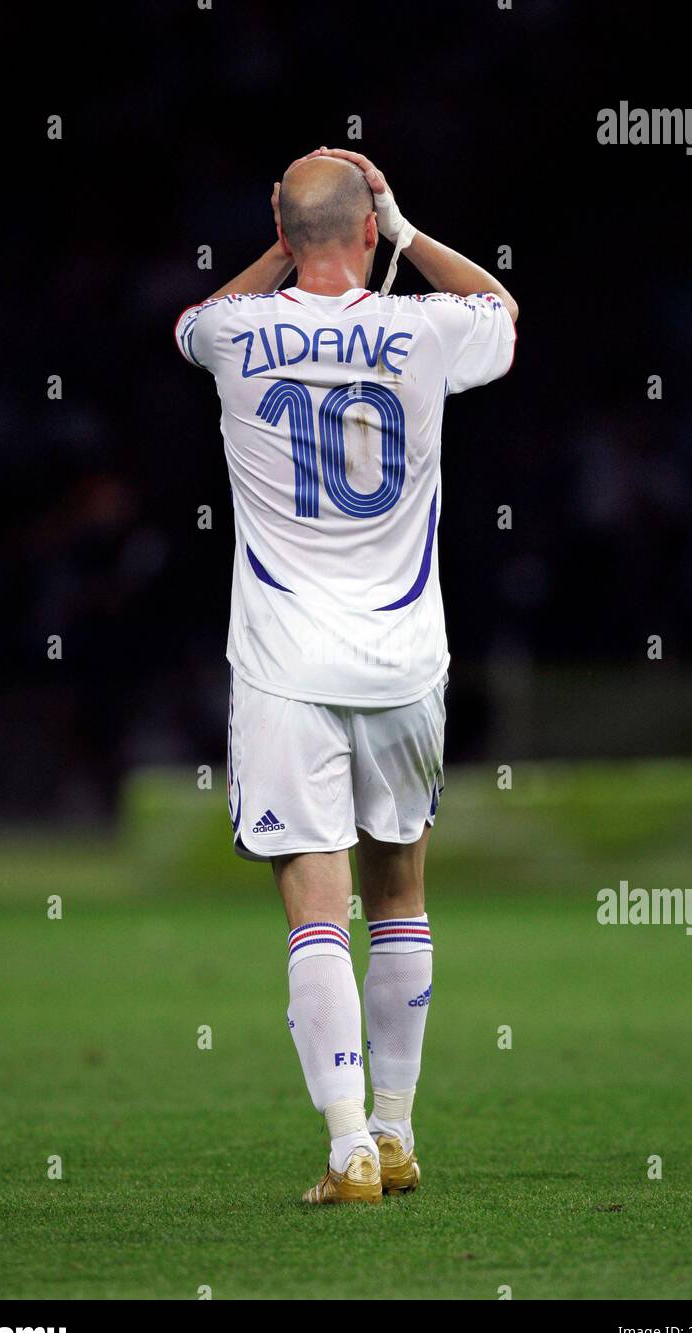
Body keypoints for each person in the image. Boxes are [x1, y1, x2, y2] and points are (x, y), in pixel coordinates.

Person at [175, 147, 518, 1204]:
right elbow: (500, 307)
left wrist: (281, 247)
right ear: (366, 230)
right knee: (400, 896)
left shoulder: (236, 334)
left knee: (316, 914)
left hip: (286, 668)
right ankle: (397, 1130)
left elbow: (188, 323)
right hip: (404, 661)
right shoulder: (422, 330)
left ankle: (346, 1153)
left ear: (281, 231)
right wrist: (407, 233)